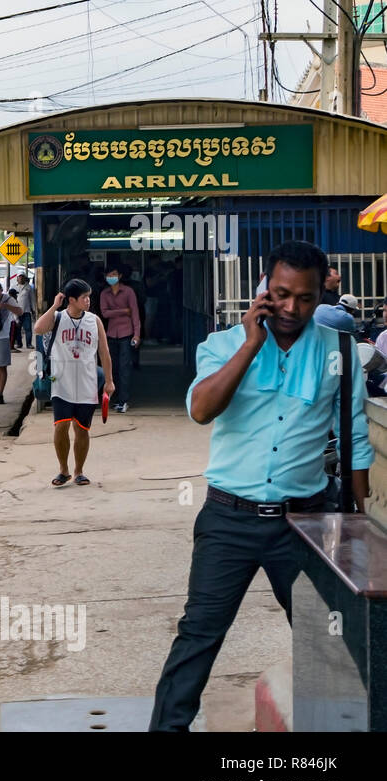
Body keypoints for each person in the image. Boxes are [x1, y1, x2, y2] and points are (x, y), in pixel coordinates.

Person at [148, 240, 372, 732]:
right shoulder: (224, 344)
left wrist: (359, 522)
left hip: (305, 524)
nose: (292, 308)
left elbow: (354, 433)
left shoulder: (339, 350)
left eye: (306, 298)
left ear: (322, 297)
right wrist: (252, 343)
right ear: (265, 290)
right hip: (229, 520)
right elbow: (202, 409)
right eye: (283, 294)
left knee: (334, 637)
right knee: (198, 637)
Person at [34, 279, 115, 487]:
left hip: (87, 384)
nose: (88, 301)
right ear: (71, 300)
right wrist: (54, 305)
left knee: (82, 429)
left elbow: (104, 353)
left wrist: (109, 381)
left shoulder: (94, 320)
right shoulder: (58, 318)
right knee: (61, 426)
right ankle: (63, 470)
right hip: (62, 383)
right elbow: (38, 328)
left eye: (89, 296)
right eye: (84, 297)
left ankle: (79, 471)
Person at [99, 264, 140, 414]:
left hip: (126, 333)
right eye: (109, 275)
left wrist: (137, 334)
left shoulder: (128, 292)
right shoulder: (104, 294)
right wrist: (124, 311)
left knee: (124, 368)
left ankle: (123, 400)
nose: (111, 278)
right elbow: (104, 313)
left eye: (114, 274)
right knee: (112, 369)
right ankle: (115, 400)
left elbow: (134, 313)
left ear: (120, 276)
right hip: (110, 334)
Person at [16, 273, 36, 348]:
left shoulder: (29, 287)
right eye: (19, 277)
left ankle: (29, 344)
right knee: (17, 329)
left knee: (28, 329)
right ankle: (19, 343)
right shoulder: (14, 287)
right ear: (17, 278)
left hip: (26, 311)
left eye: (22, 277)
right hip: (16, 312)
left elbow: (32, 299)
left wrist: (33, 310)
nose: (21, 279)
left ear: (25, 278)